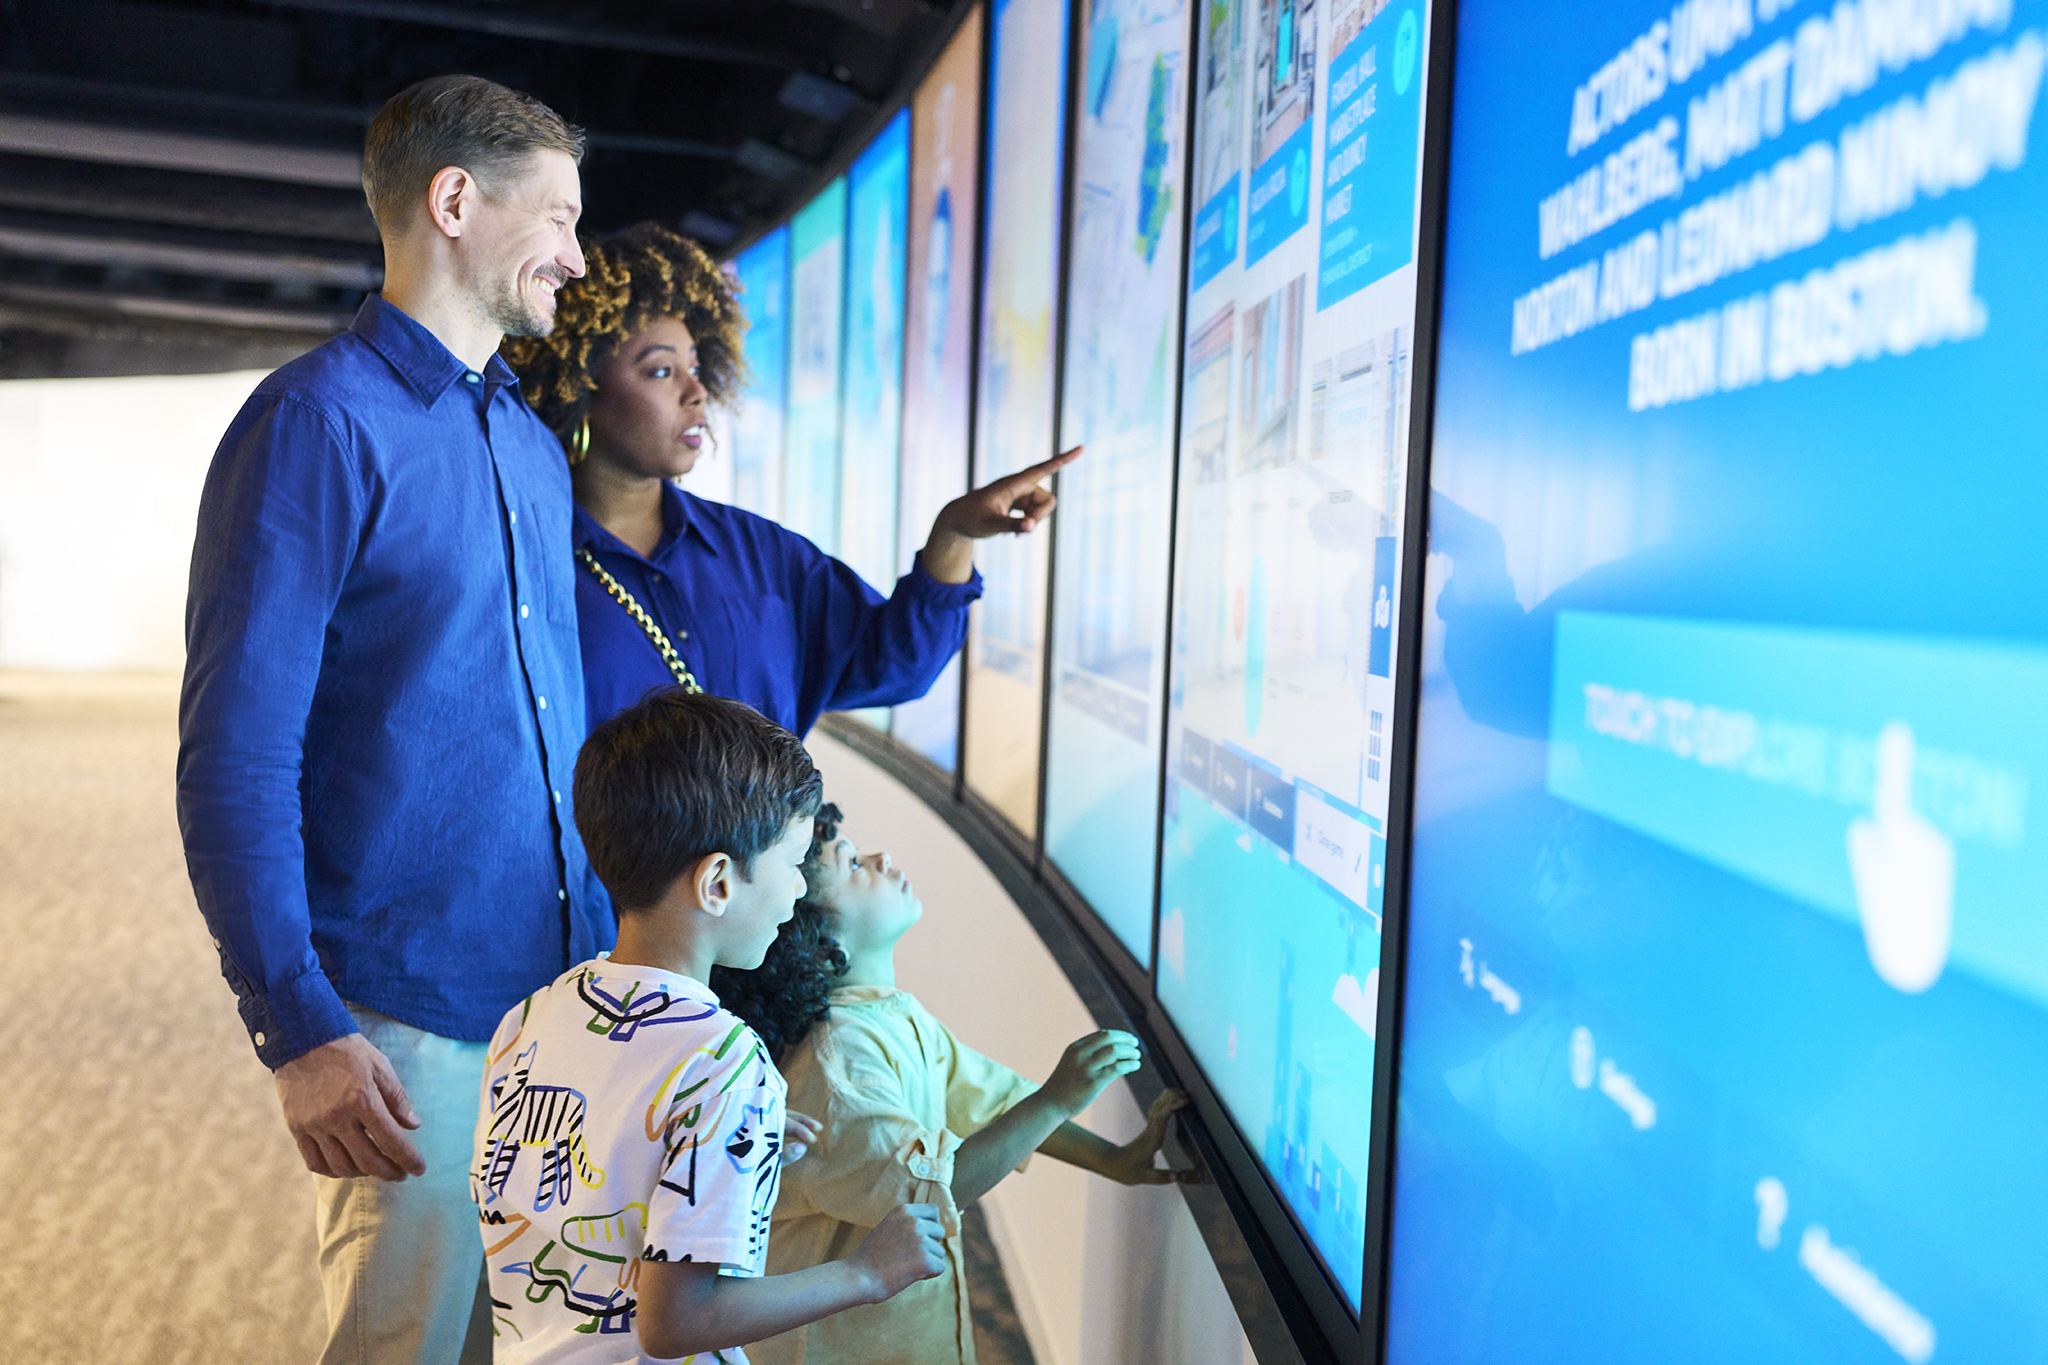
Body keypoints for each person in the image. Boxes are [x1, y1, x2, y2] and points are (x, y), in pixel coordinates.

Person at [177, 75, 607, 1365]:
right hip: (404, 1022)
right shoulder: (314, 423)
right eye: (563, 220)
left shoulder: (530, 446)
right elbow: (234, 755)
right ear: (456, 201)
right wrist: (297, 1022)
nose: (580, 261)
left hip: (563, 1007)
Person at [474, 689, 948, 1362]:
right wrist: (866, 1273)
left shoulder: (529, 1017)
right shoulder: (726, 1063)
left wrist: (731, 1154)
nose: (795, 892)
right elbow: (675, 1323)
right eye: (791, 864)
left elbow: (582, 1181)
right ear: (718, 883)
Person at [500, 222, 1081, 736]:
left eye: (697, 369)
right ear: (577, 388)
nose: (696, 391)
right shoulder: (518, 561)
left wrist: (952, 536)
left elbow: (890, 666)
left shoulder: (760, 553)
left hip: (761, 862)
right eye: (660, 370)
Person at [711, 802, 1192, 1365]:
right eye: (854, 865)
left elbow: (993, 1101)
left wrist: (1111, 1160)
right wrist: (1057, 1099)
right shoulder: (840, 1064)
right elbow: (932, 1192)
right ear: (821, 942)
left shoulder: (892, 1016)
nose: (882, 858)